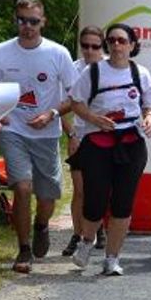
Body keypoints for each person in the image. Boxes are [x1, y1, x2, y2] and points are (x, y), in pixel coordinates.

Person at [0, 0, 77, 274]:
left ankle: (41, 225)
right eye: (21, 20)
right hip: (13, 129)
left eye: (33, 21)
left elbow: (74, 95)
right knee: (22, 187)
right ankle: (24, 248)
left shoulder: (58, 53)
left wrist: (51, 114)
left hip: (46, 134)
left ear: (43, 22)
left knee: (48, 196)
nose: (27, 26)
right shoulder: (0, 52)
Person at [68, 23, 151, 275]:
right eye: (112, 41)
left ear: (132, 44)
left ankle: (112, 259)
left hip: (131, 144)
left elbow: (149, 105)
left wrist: (149, 118)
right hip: (98, 144)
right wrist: (95, 120)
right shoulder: (93, 72)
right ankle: (87, 241)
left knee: (123, 203)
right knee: (95, 202)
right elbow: (76, 103)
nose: (116, 45)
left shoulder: (140, 73)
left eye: (121, 40)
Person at [62, 27, 107, 258]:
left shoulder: (110, 68)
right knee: (79, 190)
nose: (90, 50)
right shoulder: (73, 69)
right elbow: (63, 107)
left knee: (98, 189)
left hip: (104, 138)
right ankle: (77, 235)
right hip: (80, 135)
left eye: (95, 46)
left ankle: (98, 228)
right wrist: (71, 135)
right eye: (85, 46)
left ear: (103, 47)